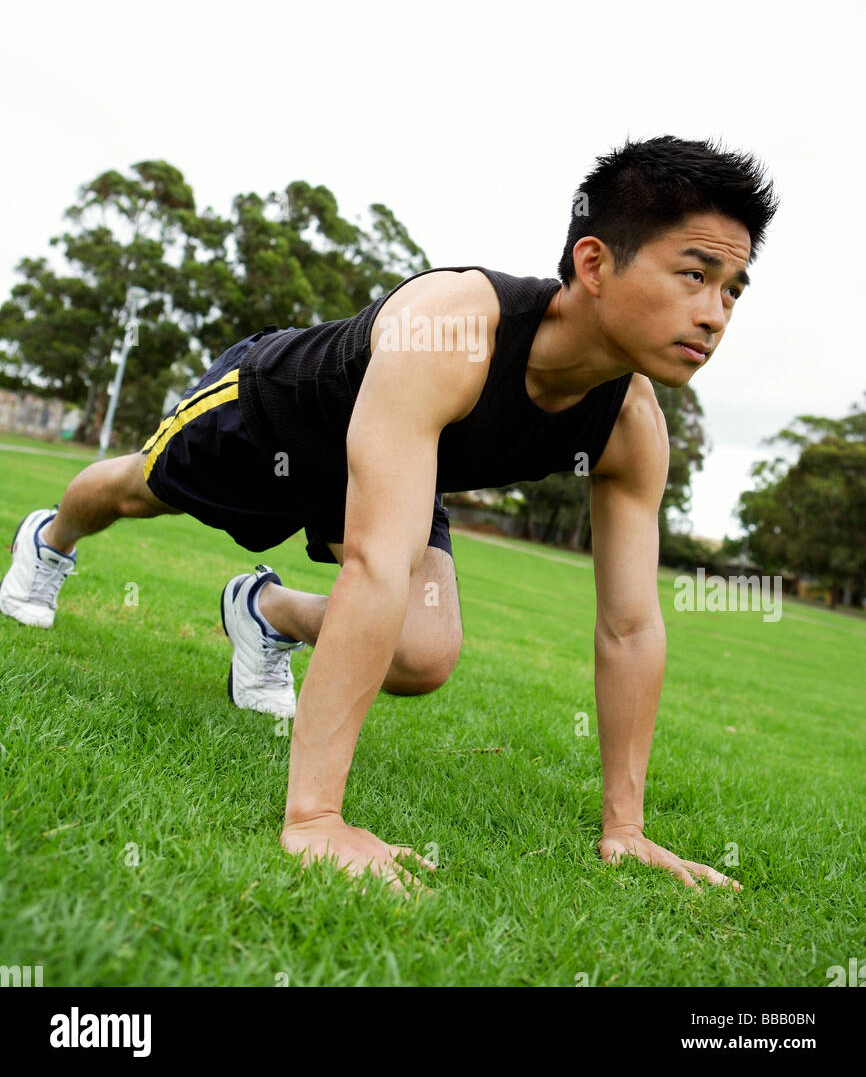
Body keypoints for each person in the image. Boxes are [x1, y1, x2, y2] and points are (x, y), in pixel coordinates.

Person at [0, 135, 778, 896]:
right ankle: (50, 540)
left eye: (732, 288)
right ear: (595, 263)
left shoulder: (630, 427)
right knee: (136, 489)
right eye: (695, 274)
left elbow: (631, 626)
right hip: (271, 413)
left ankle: (263, 610)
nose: (715, 314)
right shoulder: (454, 327)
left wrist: (626, 827)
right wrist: (315, 819)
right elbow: (376, 565)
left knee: (424, 654)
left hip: (392, 468)